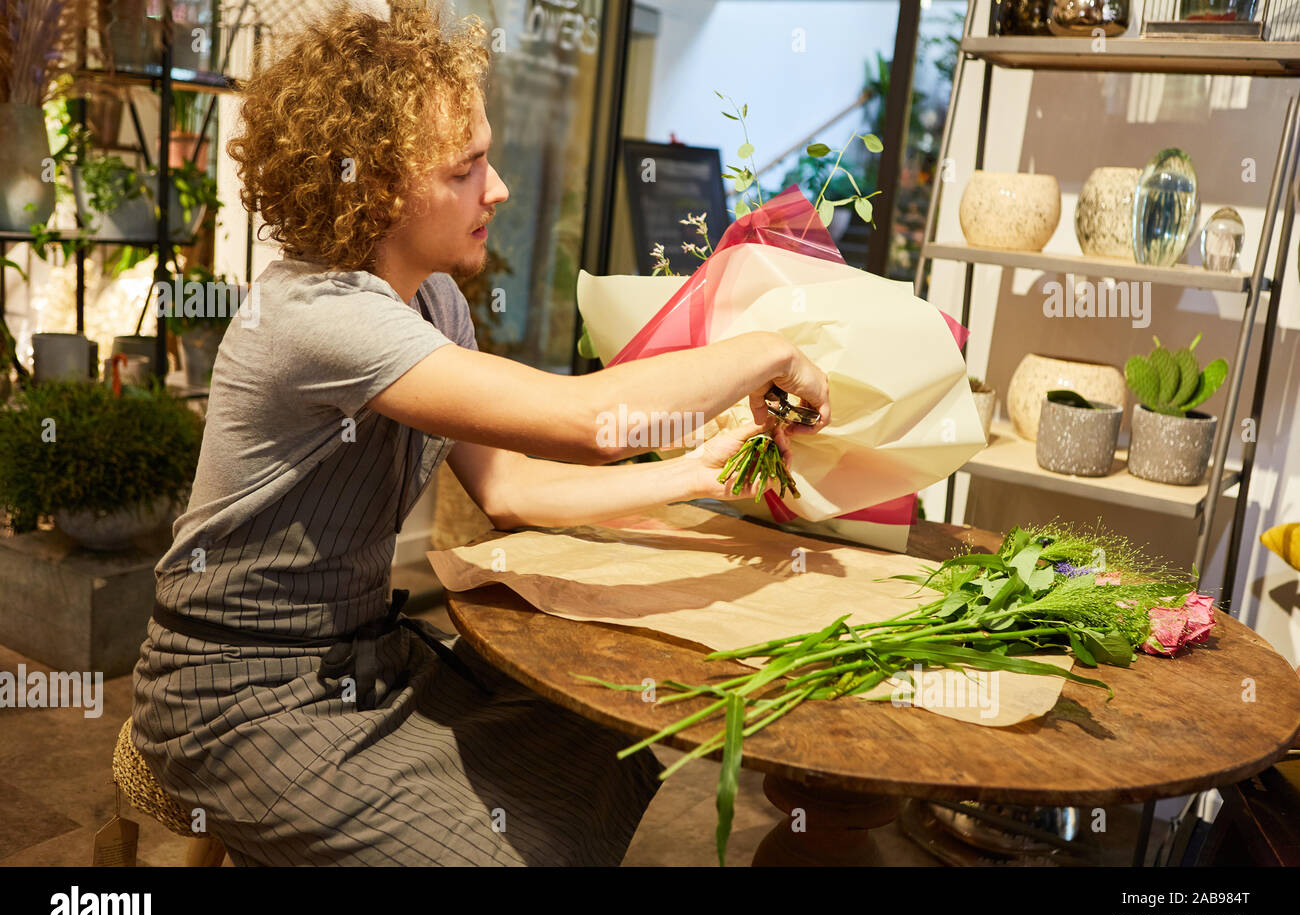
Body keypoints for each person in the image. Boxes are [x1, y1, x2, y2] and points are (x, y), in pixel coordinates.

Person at [130, 1, 829, 866]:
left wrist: (695, 473)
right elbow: (585, 420)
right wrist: (765, 351)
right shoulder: (315, 315)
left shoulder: (434, 300)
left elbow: (510, 489)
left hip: (359, 658)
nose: (496, 189)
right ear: (380, 184)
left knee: (610, 733)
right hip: (236, 696)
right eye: (467, 169)